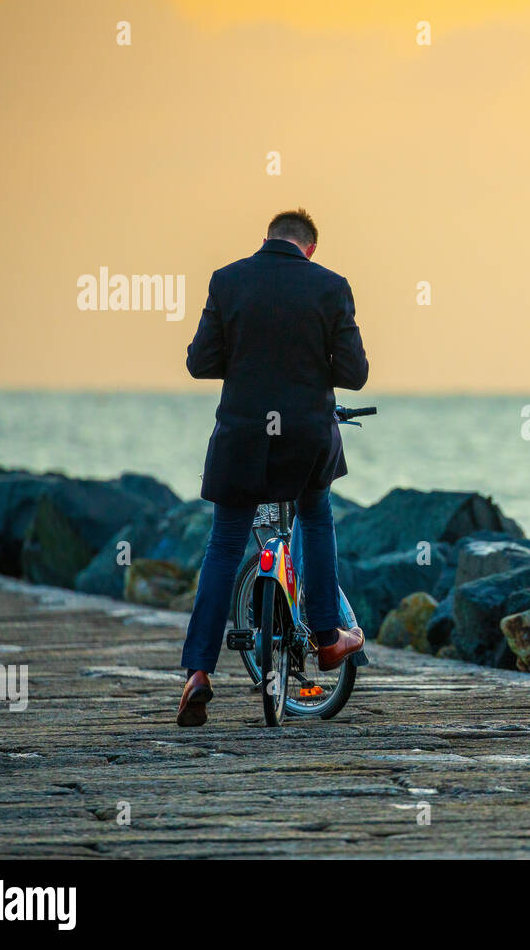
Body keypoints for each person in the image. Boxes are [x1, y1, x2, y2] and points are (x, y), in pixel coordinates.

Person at [176, 208, 369, 726]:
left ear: (267, 239)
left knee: (223, 546)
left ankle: (198, 673)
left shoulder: (227, 280)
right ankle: (327, 638)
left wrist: (248, 360)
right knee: (315, 517)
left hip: (241, 439)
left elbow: (199, 362)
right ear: (310, 249)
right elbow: (354, 374)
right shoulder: (331, 286)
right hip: (306, 439)